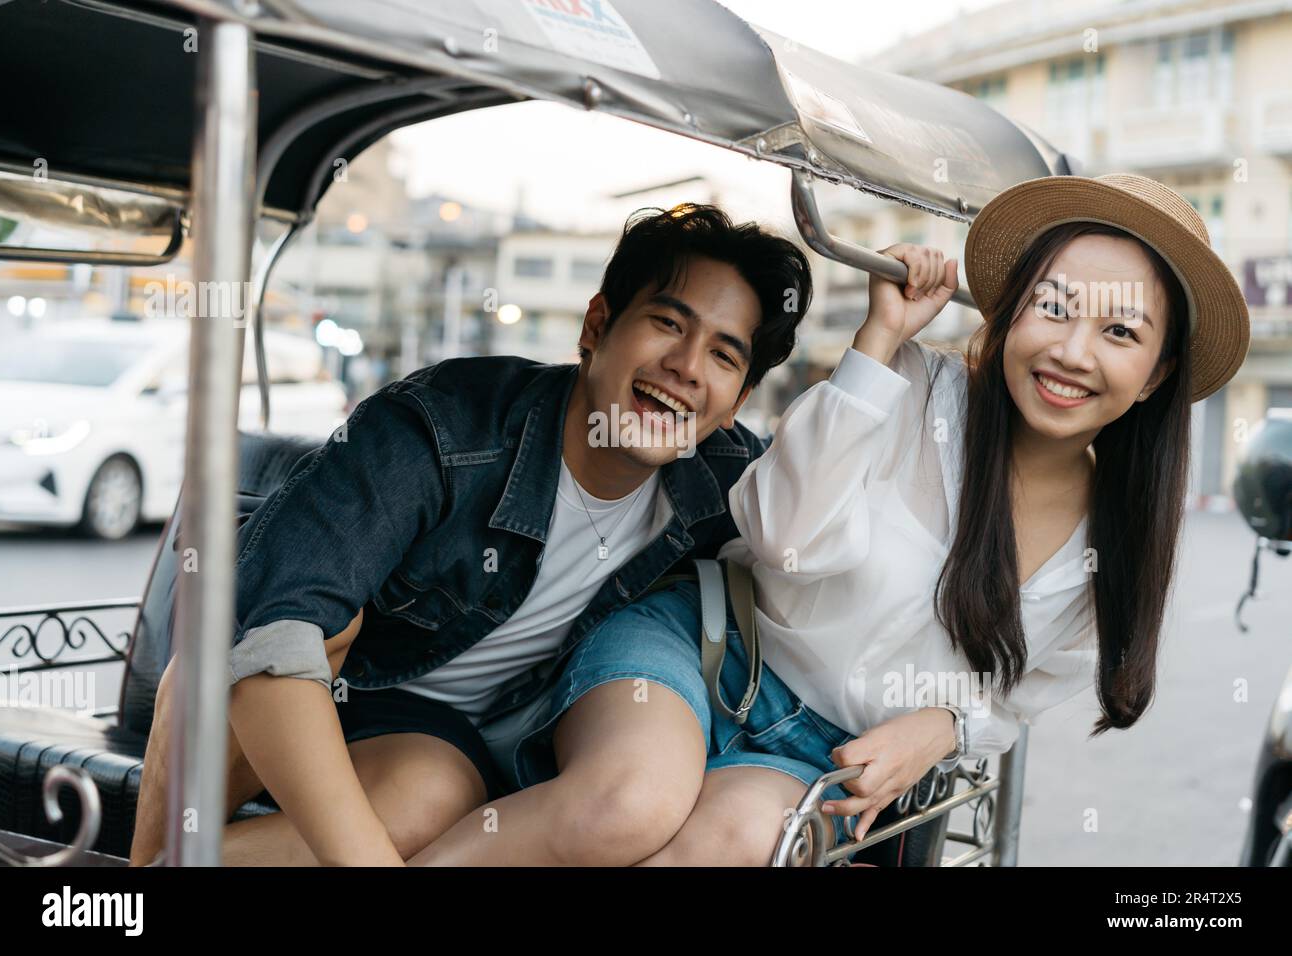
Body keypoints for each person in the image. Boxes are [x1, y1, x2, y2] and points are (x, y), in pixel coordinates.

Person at [420, 172, 1248, 867]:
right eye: (1053, 307)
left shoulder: (1116, 544)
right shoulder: (910, 390)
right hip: (708, 648)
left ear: (1154, 374)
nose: (1072, 351)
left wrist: (947, 724)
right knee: (627, 802)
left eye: (1118, 331)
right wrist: (878, 342)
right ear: (1005, 318)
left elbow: (1020, 697)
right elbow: (778, 534)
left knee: (724, 842)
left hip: (825, 752)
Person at [127, 203, 812, 866]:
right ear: (597, 325)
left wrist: (921, 723)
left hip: (432, 736)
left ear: (738, 403)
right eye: (667, 322)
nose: (687, 367)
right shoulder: (442, 429)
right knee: (266, 639)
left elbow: (861, 562)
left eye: (724, 357)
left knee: (432, 796)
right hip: (300, 682)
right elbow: (274, 631)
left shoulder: (732, 484)